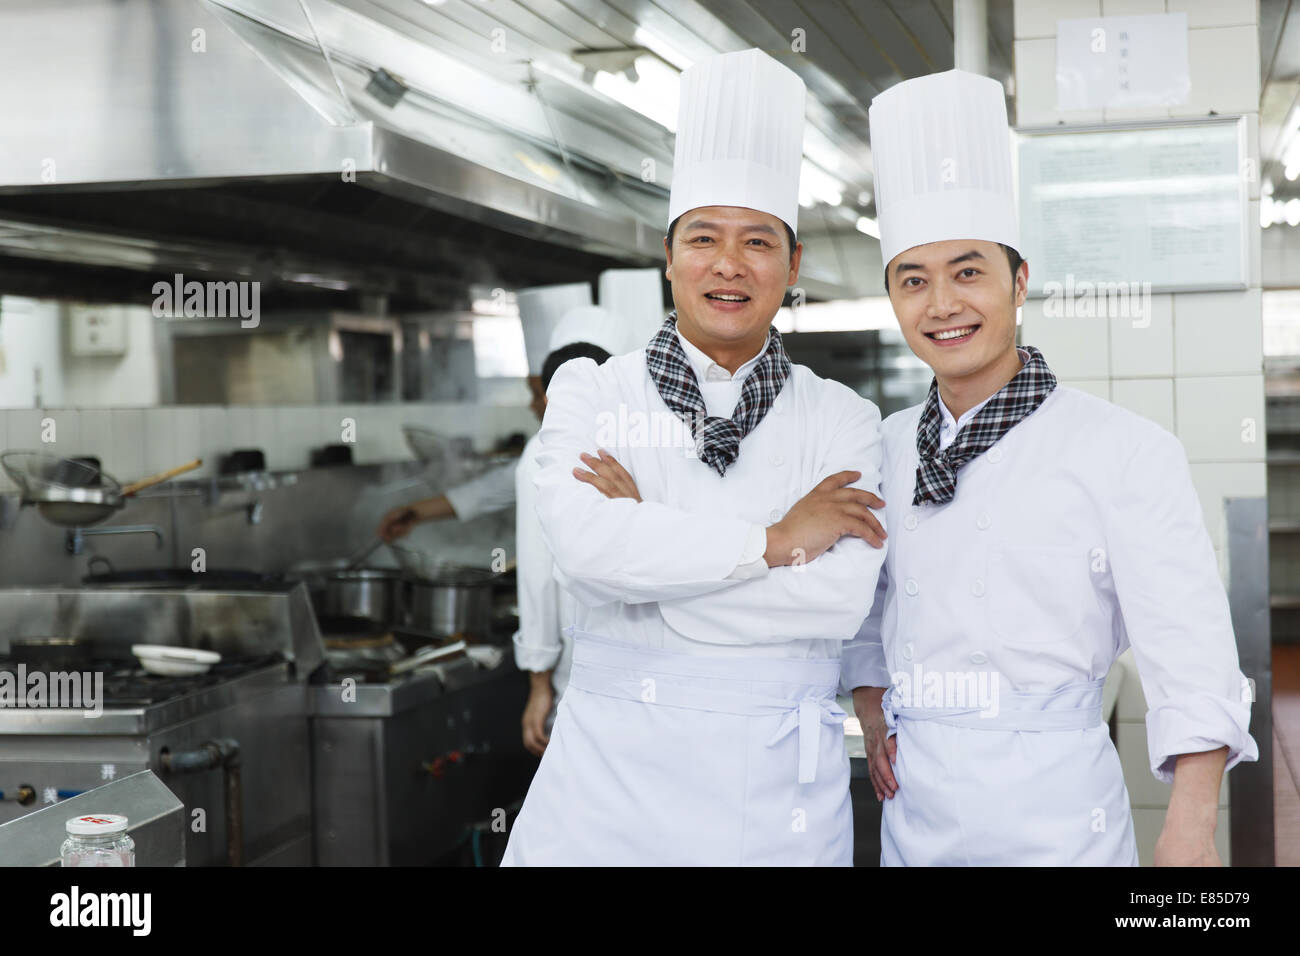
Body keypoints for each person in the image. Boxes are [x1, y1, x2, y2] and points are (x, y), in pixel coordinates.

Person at [845, 69, 1259, 866]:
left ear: (1019, 281)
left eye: (968, 272)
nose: (942, 305)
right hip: (915, 809)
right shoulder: (887, 446)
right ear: (893, 298)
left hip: (1058, 813)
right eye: (913, 280)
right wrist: (871, 706)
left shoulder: (1122, 449)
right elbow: (866, 604)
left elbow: (1191, 645)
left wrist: (1191, 823)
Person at [501, 48, 888, 866]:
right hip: (608, 795)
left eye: (757, 241)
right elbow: (584, 552)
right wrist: (775, 543)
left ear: (792, 265)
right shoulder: (590, 392)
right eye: (704, 238)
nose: (729, 263)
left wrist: (650, 544)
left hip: (775, 800)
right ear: (669, 256)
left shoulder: (844, 417)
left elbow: (836, 600)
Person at [377, 283, 591, 541]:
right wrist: (413, 513)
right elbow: (490, 489)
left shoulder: (610, 448)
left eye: (537, 393)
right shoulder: (542, 452)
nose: (533, 404)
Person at [515, 307, 622, 755]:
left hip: (580, 675)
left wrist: (538, 683)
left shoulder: (542, 451)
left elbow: (537, 575)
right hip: (651, 672)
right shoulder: (647, 440)